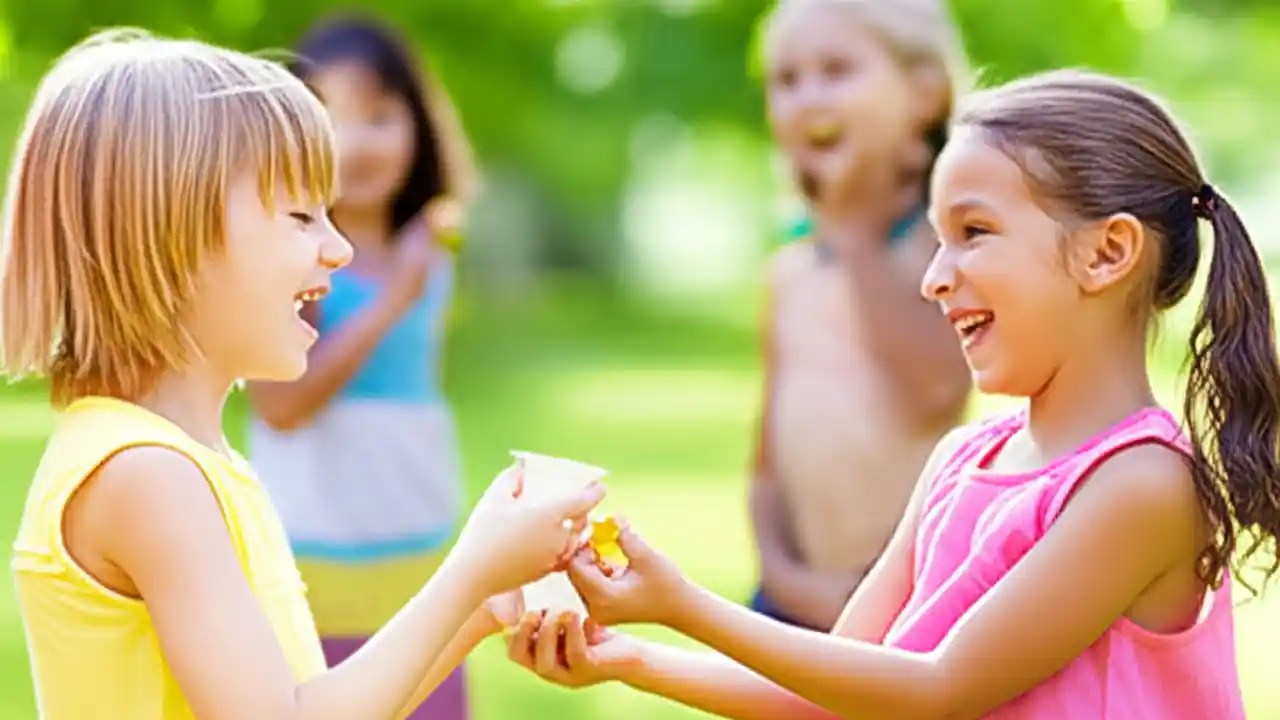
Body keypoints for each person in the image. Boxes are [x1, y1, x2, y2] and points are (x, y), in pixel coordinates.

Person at [510, 69, 1278, 719]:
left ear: (1106, 253)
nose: (934, 276)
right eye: (937, 238)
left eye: (974, 232)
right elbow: (839, 686)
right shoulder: (964, 459)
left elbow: (940, 690)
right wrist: (631, 657)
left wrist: (682, 605)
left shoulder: (1143, 486)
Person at [6, 29, 602, 720]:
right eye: (299, 217)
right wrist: (470, 569)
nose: (339, 247)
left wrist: (484, 601)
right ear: (172, 238)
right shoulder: (145, 476)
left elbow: (307, 702)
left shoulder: (193, 465)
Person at [247, 17, 476, 718]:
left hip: (419, 547)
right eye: (330, 118)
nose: (357, 143)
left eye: (380, 116)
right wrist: (390, 300)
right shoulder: (294, 257)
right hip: (319, 561)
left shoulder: (426, 253)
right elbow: (279, 407)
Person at [749, 0, 971, 630]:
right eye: (786, 80)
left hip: (904, 606)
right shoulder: (791, 272)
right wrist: (784, 576)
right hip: (792, 602)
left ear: (924, 96)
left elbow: (935, 389)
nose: (807, 97)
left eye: (837, 70)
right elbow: (766, 468)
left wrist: (853, 235)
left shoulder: (943, 251)